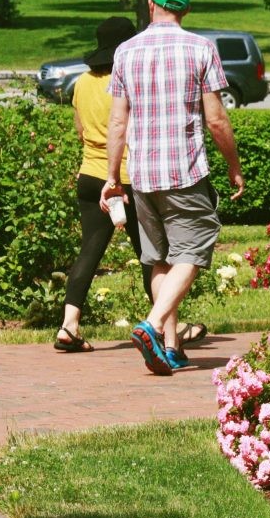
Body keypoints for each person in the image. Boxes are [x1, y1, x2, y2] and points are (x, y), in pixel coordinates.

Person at [100, 0, 245, 376]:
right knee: (194, 252)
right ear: (186, 9)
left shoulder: (125, 52)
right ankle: (152, 322)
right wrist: (234, 166)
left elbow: (117, 122)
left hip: (142, 175)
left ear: (150, 4)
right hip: (185, 172)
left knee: (160, 259)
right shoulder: (200, 48)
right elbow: (215, 118)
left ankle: (170, 346)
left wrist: (112, 176)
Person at [54, 17, 209, 354]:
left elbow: (81, 131)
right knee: (153, 256)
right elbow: (127, 127)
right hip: (127, 178)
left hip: (90, 177)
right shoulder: (129, 79)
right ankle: (169, 325)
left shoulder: (81, 83)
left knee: (90, 251)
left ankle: (69, 324)